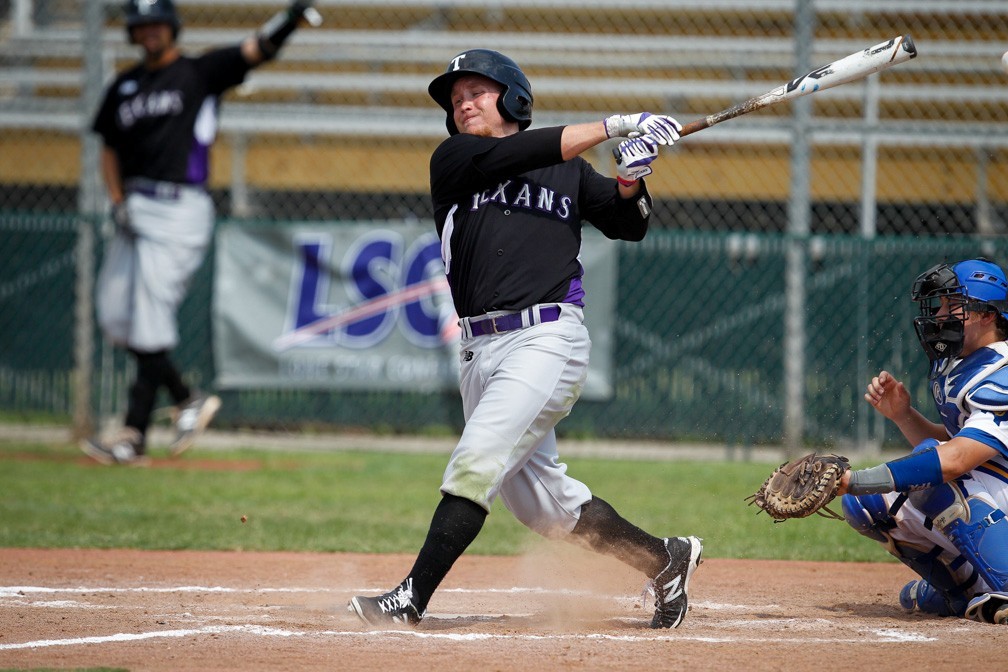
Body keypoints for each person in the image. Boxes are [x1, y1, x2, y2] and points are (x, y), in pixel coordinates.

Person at [348, 49, 703, 629]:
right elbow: (523, 151)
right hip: (477, 349)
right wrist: (616, 126)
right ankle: (665, 559)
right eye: (456, 96)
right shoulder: (456, 160)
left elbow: (627, 225)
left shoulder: (566, 170)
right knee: (544, 506)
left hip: (546, 337)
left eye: (477, 91)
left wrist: (631, 176)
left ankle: (410, 598)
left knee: (475, 462)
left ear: (514, 97)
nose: (463, 101)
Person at [81, 0, 316, 465]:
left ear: (172, 27)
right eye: (141, 25)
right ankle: (185, 398)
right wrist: (116, 200)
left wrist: (289, 19)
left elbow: (257, 49)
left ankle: (133, 435)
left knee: (149, 318)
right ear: (132, 32)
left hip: (177, 208)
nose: (149, 32)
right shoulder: (124, 86)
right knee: (115, 317)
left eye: (156, 24)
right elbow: (108, 146)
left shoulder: (199, 72)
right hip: (133, 207)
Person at [838, 257, 1008, 624]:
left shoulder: (1002, 370)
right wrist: (903, 415)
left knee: (933, 475)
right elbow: (957, 443)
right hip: (999, 493)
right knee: (867, 505)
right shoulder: (964, 364)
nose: (941, 315)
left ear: (987, 315)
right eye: (940, 305)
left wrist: (855, 479)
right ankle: (966, 591)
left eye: (953, 305)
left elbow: (954, 461)